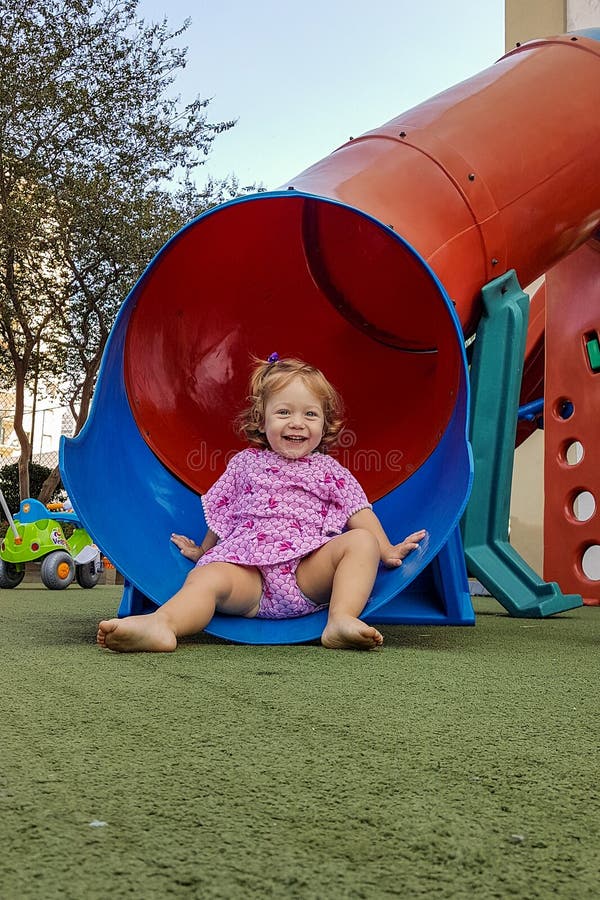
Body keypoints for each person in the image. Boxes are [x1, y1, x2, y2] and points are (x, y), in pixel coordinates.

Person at [97, 355, 425, 653]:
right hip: (249, 577)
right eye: (284, 412)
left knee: (360, 541)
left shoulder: (328, 471)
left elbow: (358, 511)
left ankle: (340, 619)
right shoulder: (245, 463)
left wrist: (385, 549)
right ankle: (162, 624)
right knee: (206, 578)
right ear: (262, 419)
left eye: (310, 414)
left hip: (307, 574)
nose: (297, 422)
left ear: (324, 424)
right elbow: (223, 512)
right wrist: (205, 552)